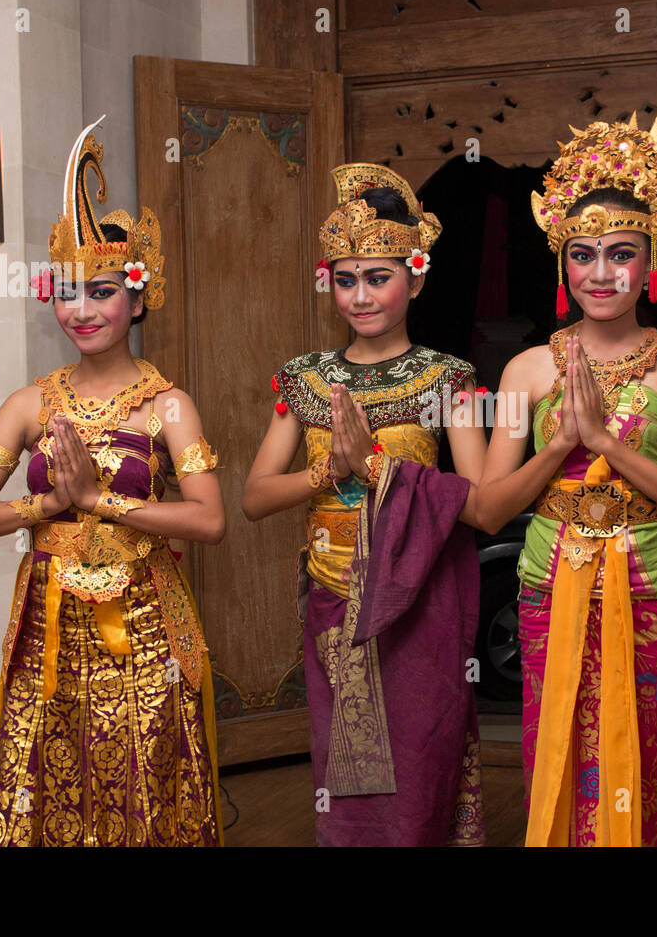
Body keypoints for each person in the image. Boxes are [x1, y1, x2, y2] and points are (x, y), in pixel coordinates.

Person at [0, 117, 226, 846]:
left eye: (100, 292)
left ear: (137, 297)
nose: (81, 310)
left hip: (146, 621)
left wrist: (101, 501)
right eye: (67, 293)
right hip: (49, 621)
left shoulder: (169, 405)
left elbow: (208, 521)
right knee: (48, 775)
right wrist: (43, 505)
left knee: (147, 780)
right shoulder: (29, 403)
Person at [478, 115, 657, 846]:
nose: (602, 272)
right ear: (562, 265)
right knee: (553, 751)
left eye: (622, 253)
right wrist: (558, 450)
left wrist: (610, 443)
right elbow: (488, 509)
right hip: (550, 585)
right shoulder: (524, 370)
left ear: (651, 261)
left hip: (652, 585)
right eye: (583, 255)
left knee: (641, 757)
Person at [242, 164, 486, 845]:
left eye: (377, 276)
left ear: (416, 276)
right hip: (332, 598)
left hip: (418, 603)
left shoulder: (448, 377)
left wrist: (376, 467)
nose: (360, 295)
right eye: (345, 278)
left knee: (418, 767)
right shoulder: (306, 379)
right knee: (344, 773)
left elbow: (480, 504)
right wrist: (329, 472)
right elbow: (256, 496)